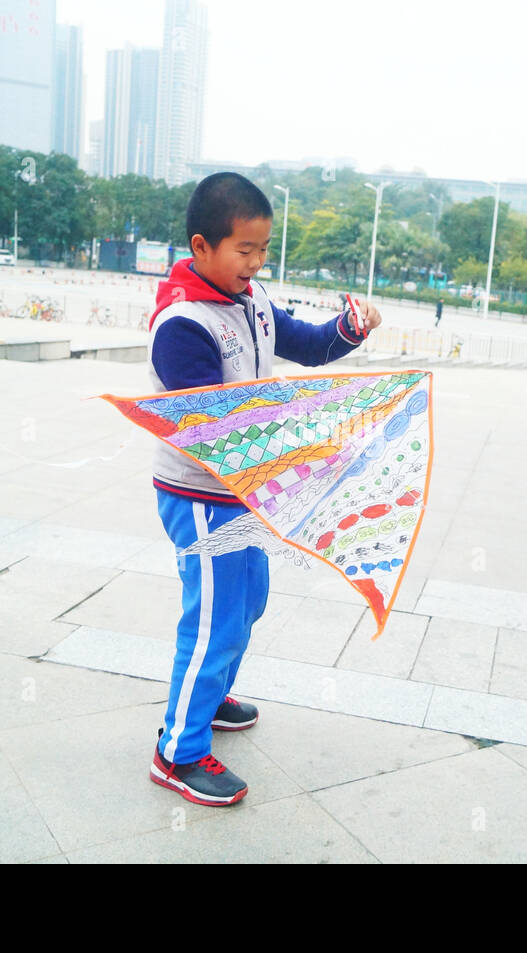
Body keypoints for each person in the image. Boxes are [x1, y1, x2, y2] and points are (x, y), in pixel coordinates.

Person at [145, 172, 382, 806]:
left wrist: (349, 330)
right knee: (214, 619)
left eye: (262, 251)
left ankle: (212, 690)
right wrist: (302, 444)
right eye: (243, 251)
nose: (255, 264)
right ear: (202, 247)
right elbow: (212, 426)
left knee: (248, 601)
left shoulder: (250, 301)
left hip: (245, 494)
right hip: (200, 497)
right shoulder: (182, 325)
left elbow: (303, 345)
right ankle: (179, 751)